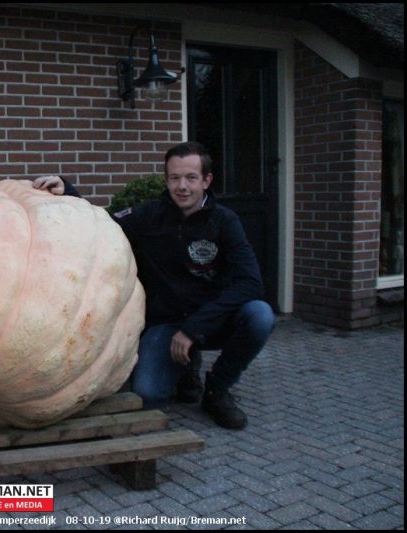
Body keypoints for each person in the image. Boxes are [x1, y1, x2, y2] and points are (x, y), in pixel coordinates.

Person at [33, 141, 275, 429]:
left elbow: (251, 283)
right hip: (166, 323)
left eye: (191, 178)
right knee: (147, 393)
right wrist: (68, 190)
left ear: (207, 181)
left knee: (260, 315)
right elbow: (103, 224)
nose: (182, 186)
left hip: (210, 321)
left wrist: (193, 329)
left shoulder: (225, 221)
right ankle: (186, 369)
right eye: (174, 178)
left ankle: (217, 389)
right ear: (167, 179)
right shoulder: (148, 216)